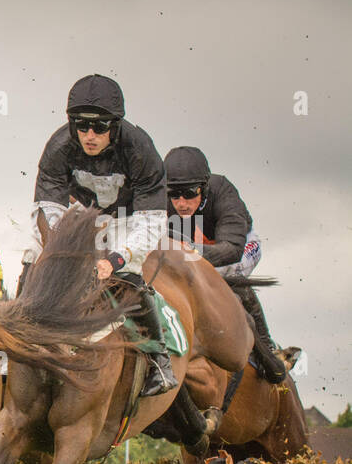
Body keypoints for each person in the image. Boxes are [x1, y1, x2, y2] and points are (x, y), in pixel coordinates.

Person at [28, 74, 174, 397]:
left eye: (100, 128)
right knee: (32, 260)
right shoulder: (58, 147)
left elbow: (152, 220)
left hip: (130, 217)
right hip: (81, 215)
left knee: (128, 275)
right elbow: (46, 209)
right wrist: (58, 249)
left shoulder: (139, 148)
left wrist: (115, 260)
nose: (90, 135)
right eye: (81, 126)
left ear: (116, 126)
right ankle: (20, 340)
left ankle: (158, 360)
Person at [164, 146, 286, 382]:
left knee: (227, 276)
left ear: (205, 186)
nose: (181, 203)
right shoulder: (164, 200)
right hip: (196, 248)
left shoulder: (223, 192)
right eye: (174, 194)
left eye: (190, 193)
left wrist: (188, 254)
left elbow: (231, 249)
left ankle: (267, 348)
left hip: (240, 246)